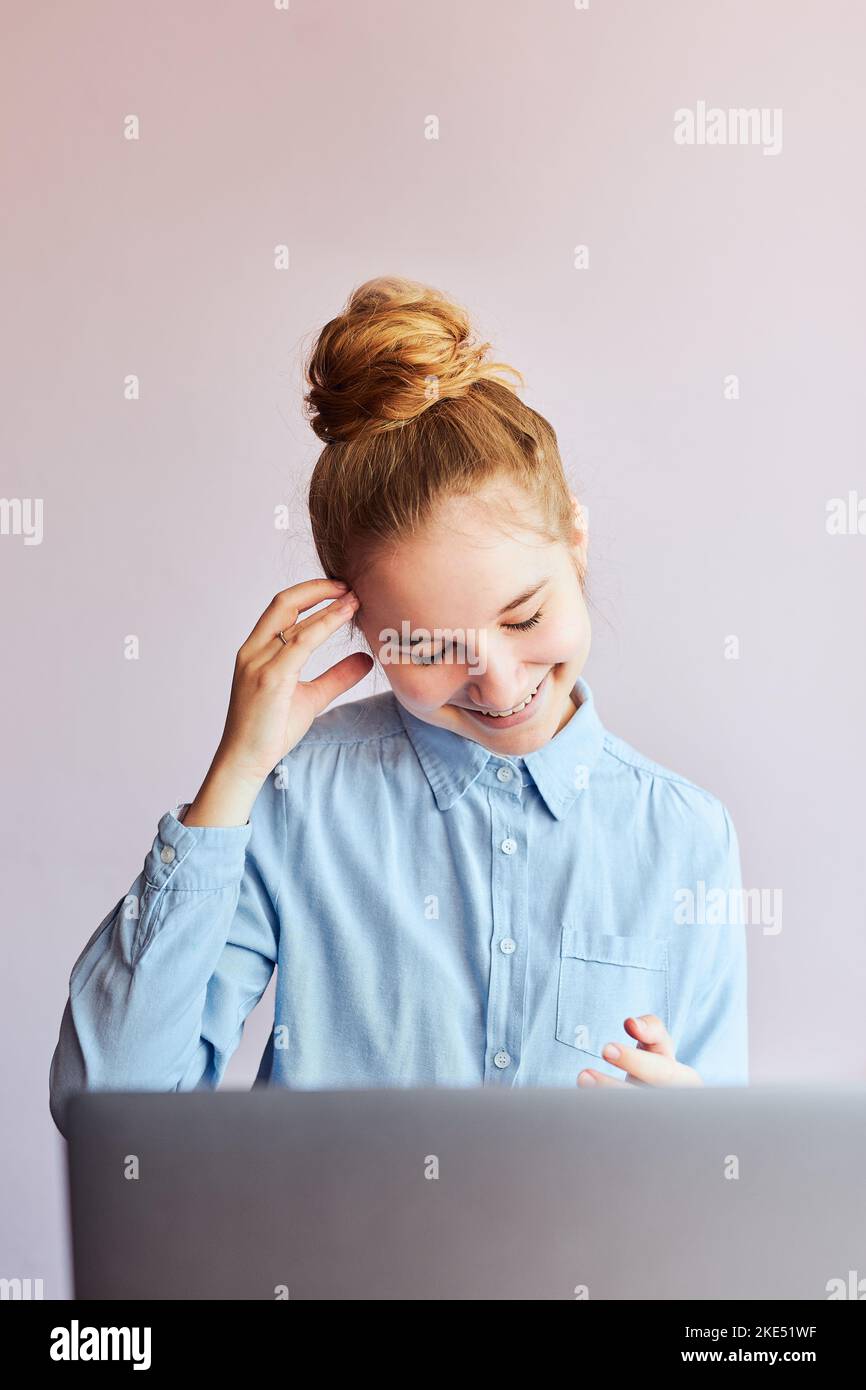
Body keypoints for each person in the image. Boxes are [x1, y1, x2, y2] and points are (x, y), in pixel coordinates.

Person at [49, 275, 748, 1139]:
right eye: (427, 645)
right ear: (357, 627)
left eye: (523, 616)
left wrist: (694, 1138)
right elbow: (110, 1111)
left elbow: (723, 1179)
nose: (496, 682)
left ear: (575, 538)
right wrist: (234, 775)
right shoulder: (293, 798)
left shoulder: (686, 835)